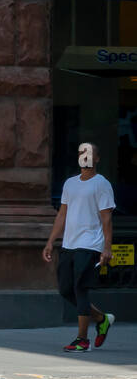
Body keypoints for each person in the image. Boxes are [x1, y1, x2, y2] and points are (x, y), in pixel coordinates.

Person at [43, 142, 115, 351]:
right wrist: (50, 241)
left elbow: (106, 218)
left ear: (97, 158)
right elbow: (62, 214)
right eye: (82, 153)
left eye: (90, 153)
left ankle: (82, 340)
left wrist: (107, 247)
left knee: (80, 288)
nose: (86, 156)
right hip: (69, 243)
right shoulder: (70, 184)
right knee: (66, 289)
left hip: (90, 243)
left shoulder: (102, 184)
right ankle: (102, 319)